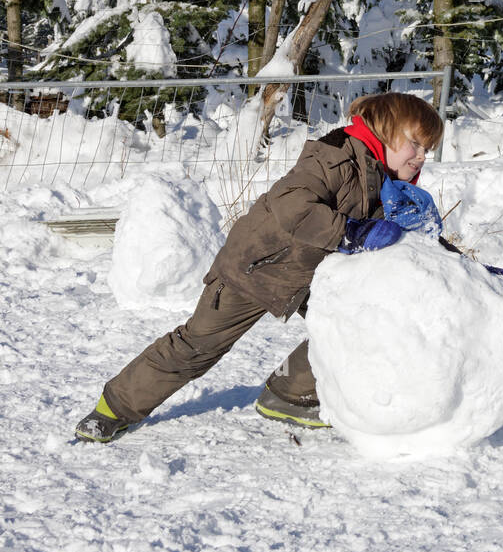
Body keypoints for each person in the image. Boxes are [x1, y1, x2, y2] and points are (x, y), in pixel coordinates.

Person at [75, 91, 444, 441]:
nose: (422, 156)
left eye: (428, 149)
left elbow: (417, 237)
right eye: (416, 143)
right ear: (386, 129)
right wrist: (352, 231)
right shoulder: (336, 155)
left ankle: (288, 395)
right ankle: (115, 407)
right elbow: (293, 207)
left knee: (358, 322)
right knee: (199, 344)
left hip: (313, 270)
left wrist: (467, 270)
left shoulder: (392, 183)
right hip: (259, 262)